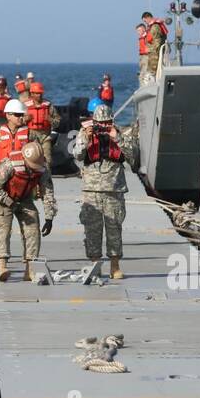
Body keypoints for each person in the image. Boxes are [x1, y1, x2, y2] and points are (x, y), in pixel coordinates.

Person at [70, 104, 138, 279]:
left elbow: (133, 158)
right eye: (99, 123)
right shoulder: (84, 132)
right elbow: (77, 155)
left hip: (114, 189)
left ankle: (115, 266)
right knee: (92, 228)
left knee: (114, 227)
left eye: (106, 123)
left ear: (112, 121)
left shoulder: (121, 133)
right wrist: (86, 137)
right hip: (91, 189)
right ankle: (95, 265)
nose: (102, 127)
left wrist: (118, 139)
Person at [0, 141, 56, 282]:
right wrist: (8, 202)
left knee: (33, 230)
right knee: (3, 230)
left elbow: (47, 192)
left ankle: (29, 270)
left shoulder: (42, 168)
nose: (34, 169)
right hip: (4, 198)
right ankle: (2, 266)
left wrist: (49, 217)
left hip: (25, 199)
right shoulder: (9, 165)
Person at [0, 99, 31, 180]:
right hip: (3, 174)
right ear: (8, 116)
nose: (21, 117)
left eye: (22, 115)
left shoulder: (29, 133)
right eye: (17, 115)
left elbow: (37, 157)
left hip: (23, 175)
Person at [23, 82, 61, 165]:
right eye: (37, 93)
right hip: (30, 136)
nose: (39, 95)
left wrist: (50, 119)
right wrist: (25, 119)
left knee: (47, 159)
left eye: (40, 93)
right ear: (32, 93)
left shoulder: (48, 105)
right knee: (30, 158)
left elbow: (58, 122)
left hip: (45, 135)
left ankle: (47, 176)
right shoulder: (25, 106)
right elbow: (17, 122)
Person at [135, 12, 168, 84]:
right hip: (152, 55)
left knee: (150, 74)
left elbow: (157, 42)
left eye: (145, 21)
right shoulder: (151, 27)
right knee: (147, 74)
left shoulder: (155, 27)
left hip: (154, 55)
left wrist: (149, 49)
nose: (145, 23)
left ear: (148, 18)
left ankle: (152, 85)